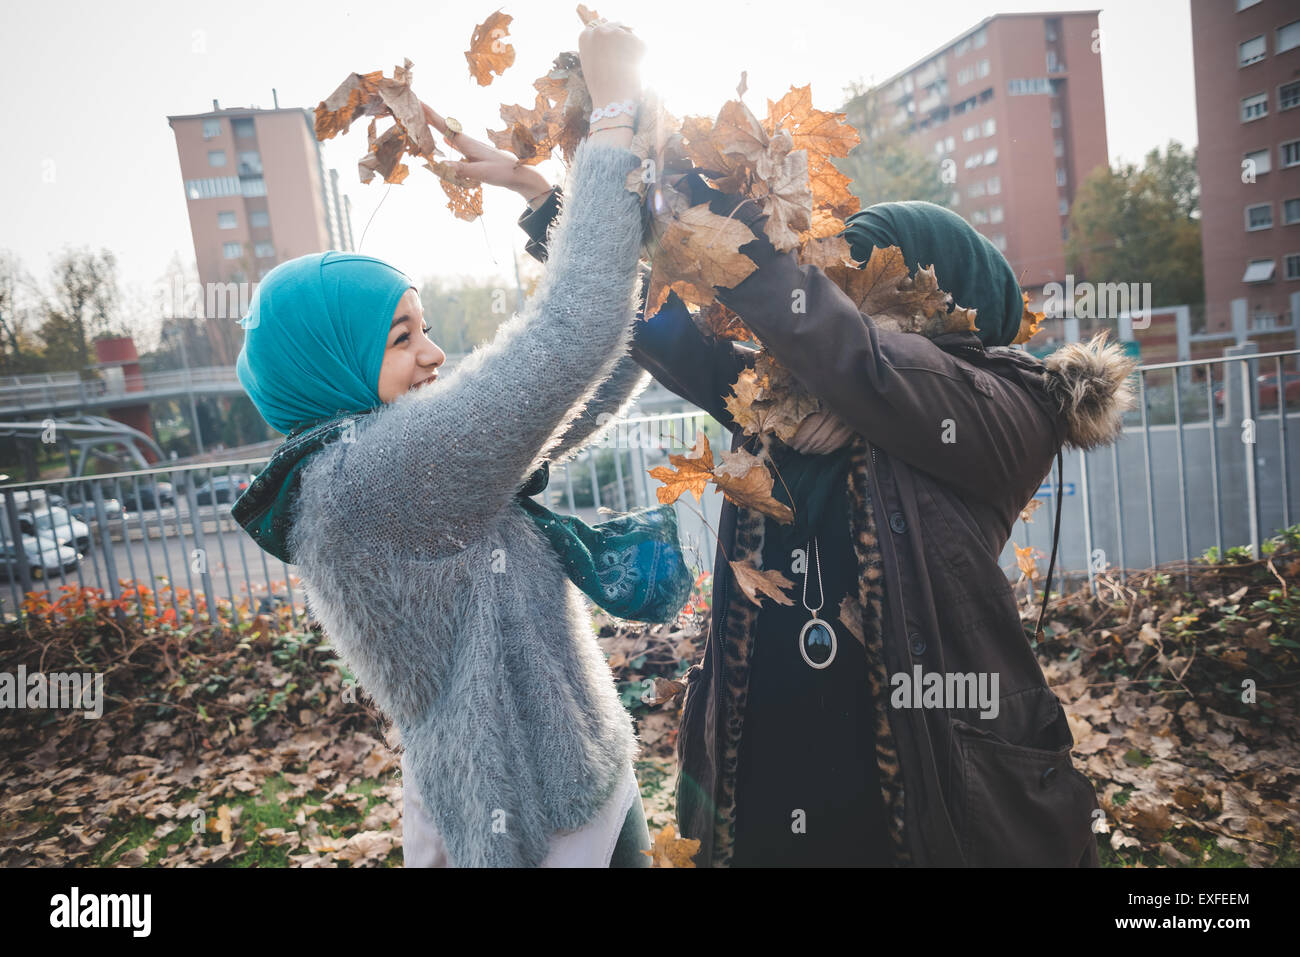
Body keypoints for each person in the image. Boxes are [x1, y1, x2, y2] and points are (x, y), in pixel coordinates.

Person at [486, 169, 1137, 866]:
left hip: (918, 780)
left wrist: (690, 186)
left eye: (859, 288)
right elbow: (675, 338)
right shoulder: (797, 399)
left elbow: (855, 360)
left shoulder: (1003, 411)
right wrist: (554, 206)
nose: (840, 302)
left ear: (940, 304)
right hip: (772, 760)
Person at [231, 19, 675, 868]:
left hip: (581, 777)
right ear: (329, 361)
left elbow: (588, 378)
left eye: (425, 327)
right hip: (531, 821)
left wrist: (545, 198)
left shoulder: (379, 454)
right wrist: (612, 117)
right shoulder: (366, 480)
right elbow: (567, 337)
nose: (435, 353)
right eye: (401, 339)